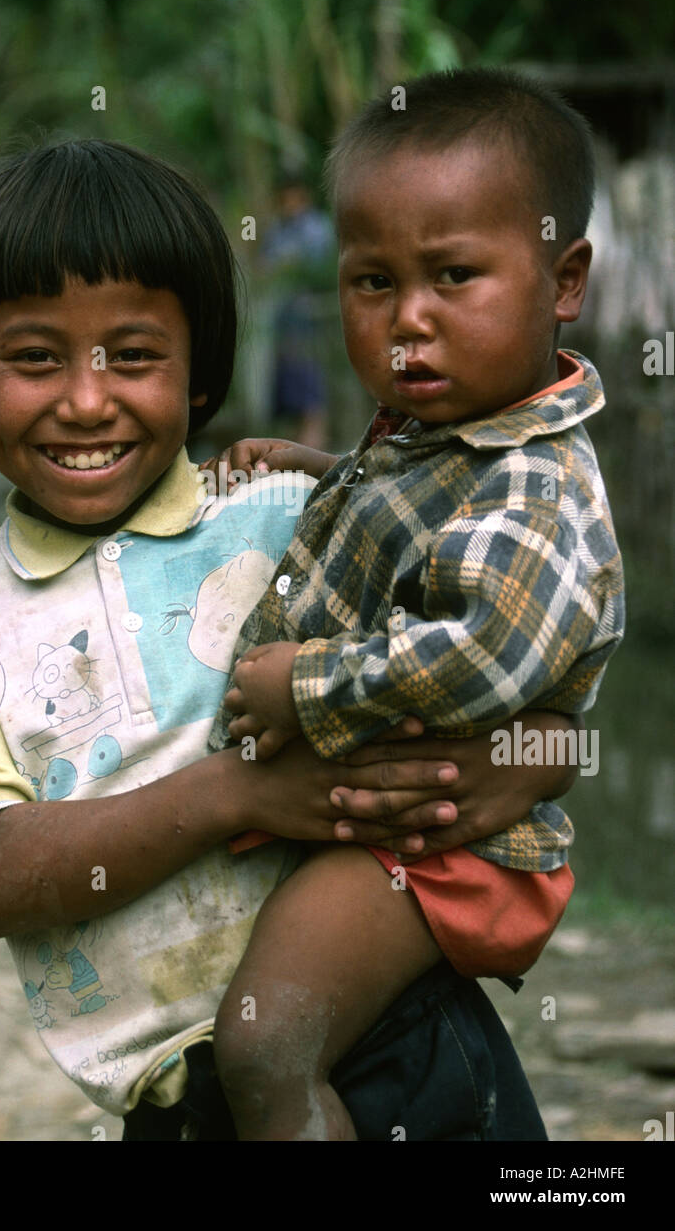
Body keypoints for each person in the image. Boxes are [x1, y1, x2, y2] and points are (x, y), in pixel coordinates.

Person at [0, 136, 577, 1142]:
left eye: (133, 355)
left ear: (199, 368)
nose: (85, 398)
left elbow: (528, 668)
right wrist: (239, 792)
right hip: (184, 1107)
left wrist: (538, 760)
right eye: (35, 357)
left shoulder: (292, 516)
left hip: (410, 1042)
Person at [205, 68, 625, 1141]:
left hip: (441, 845)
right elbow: (411, 521)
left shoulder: (538, 481)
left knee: (264, 1044)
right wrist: (316, 468)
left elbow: (477, 653)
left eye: (452, 276)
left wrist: (303, 683)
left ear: (562, 278)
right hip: (399, 824)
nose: (409, 323)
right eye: (372, 284)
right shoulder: (437, 434)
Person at [261, 176, 335, 451]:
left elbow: (319, 268)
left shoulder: (317, 228)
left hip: (312, 319)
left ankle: (314, 451)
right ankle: (297, 452)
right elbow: (266, 266)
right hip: (286, 320)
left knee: (311, 389)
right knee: (289, 393)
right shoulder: (278, 230)